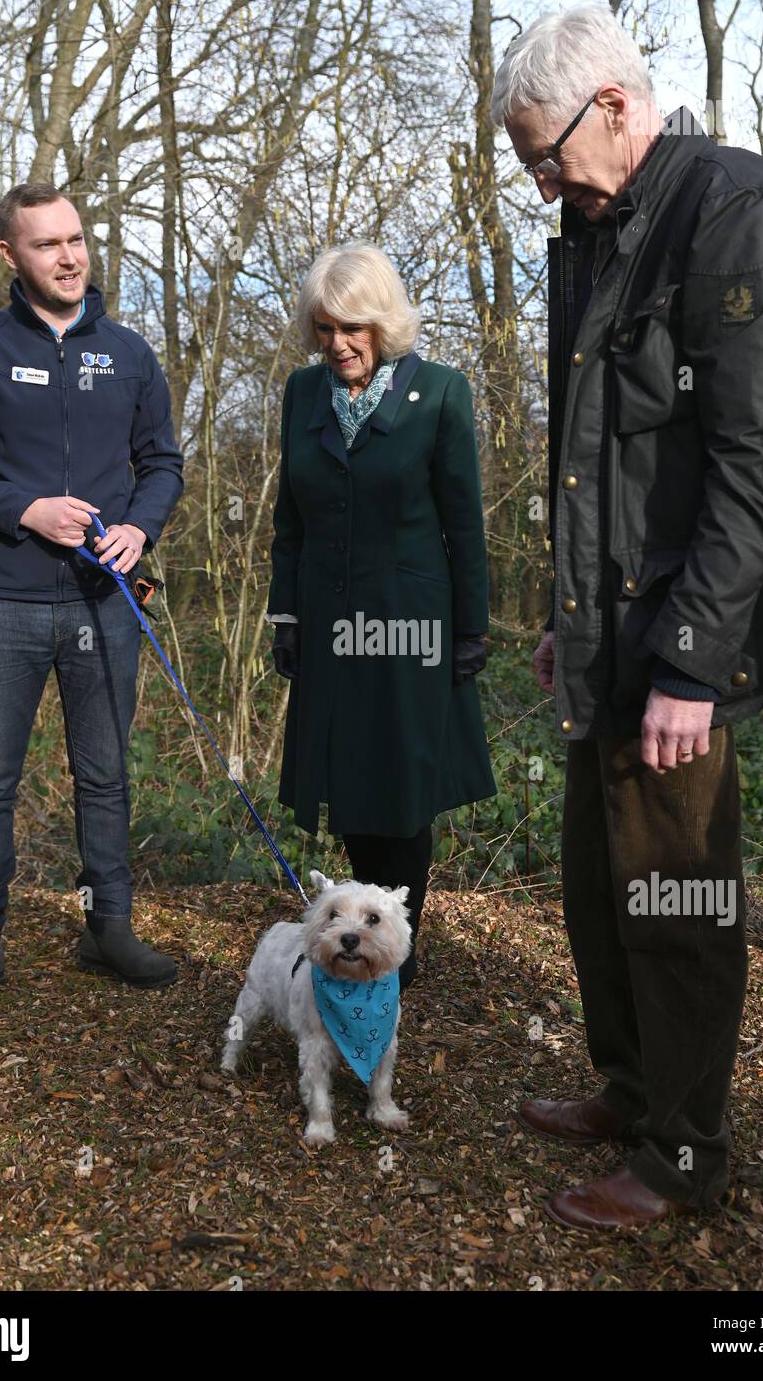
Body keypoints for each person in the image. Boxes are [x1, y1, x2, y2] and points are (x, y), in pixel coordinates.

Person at [491, 5, 763, 1227]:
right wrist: (562, 613)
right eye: (529, 164)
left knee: (676, 899)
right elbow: (594, 462)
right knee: (598, 884)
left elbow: (762, 460)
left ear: (617, 107)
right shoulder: (598, 227)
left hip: (683, 646)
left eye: (546, 154)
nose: (542, 183)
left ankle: (682, 1156)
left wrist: (692, 659)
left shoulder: (729, 207)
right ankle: (630, 1088)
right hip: (605, 634)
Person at [0, 182, 184, 1009]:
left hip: (106, 601)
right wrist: (23, 510)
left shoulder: (132, 353)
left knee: (104, 777)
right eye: (46, 245)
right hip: (0, 600)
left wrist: (139, 531)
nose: (69, 257)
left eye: (76, 240)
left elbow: (163, 465)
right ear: (10, 256)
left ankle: (109, 930)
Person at [267, 242, 497, 989]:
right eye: (325, 328)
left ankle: (401, 947)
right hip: (329, 624)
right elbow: (289, 521)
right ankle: (359, 938)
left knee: (402, 787)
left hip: (410, 625)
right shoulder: (303, 395)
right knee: (352, 783)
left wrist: (471, 627)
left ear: (383, 323)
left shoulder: (439, 392)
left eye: (353, 328)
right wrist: (286, 617)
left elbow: (464, 523)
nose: (337, 344)